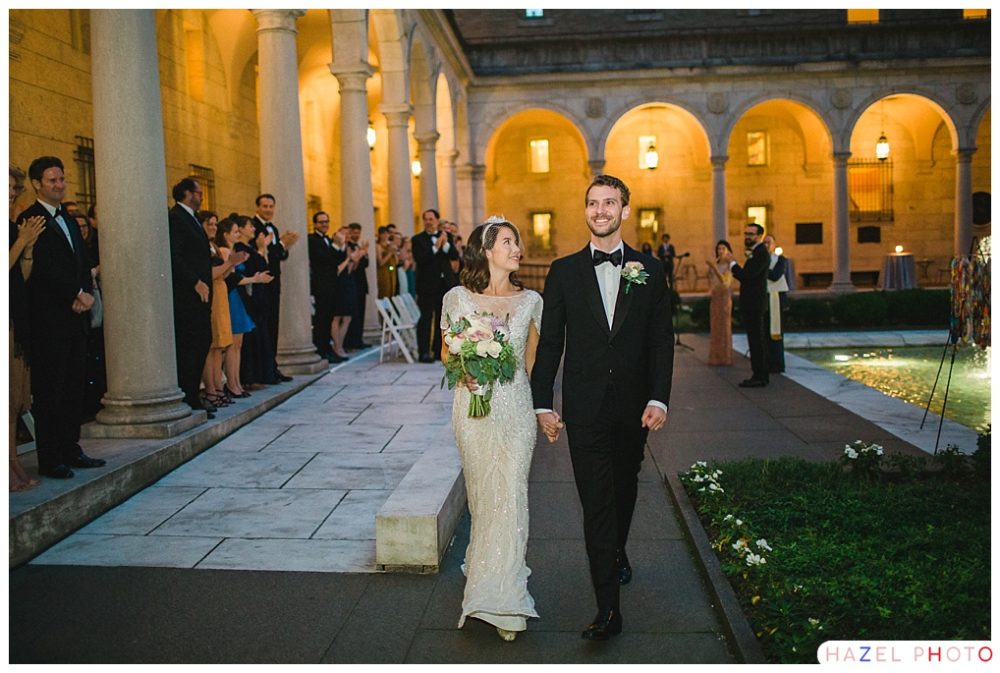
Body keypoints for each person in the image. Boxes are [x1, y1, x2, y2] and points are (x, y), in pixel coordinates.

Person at [531, 174, 673, 641]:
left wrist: (658, 397)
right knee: (595, 502)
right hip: (585, 408)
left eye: (609, 202)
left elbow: (660, 340)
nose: (600, 210)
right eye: (593, 203)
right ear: (586, 210)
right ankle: (608, 609)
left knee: (625, 487)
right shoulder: (564, 271)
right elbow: (551, 342)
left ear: (624, 210)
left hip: (634, 408)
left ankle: (616, 549)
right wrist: (541, 402)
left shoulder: (650, 270)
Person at [441, 216, 543, 642]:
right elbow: (446, 353)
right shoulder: (457, 298)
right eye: (507, 242)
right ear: (486, 251)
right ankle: (484, 577)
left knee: (512, 494)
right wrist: (463, 372)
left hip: (515, 408)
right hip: (473, 409)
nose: (516, 249)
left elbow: (532, 362)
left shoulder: (531, 301)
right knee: (484, 499)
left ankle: (505, 599)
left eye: (517, 242)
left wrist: (541, 410)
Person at [19, 156, 105, 479]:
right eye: (52, 180)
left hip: (76, 318)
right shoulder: (30, 219)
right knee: (50, 390)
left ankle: (71, 448)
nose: (59, 185)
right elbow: (41, 268)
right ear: (36, 184)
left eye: (62, 179)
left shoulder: (68, 217)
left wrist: (85, 291)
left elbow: (81, 260)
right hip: (50, 319)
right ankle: (51, 457)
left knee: (73, 387)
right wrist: (74, 293)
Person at [168, 177, 216, 418]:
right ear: (187, 193)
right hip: (188, 295)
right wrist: (195, 281)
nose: (201, 196)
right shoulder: (176, 218)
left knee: (202, 342)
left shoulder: (192, 218)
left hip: (201, 296)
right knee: (191, 345)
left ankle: (192, 393)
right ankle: (188, 396)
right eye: (198, 192)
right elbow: (175, 256)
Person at [9, 163, 44, 491]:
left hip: (16, 318)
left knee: (15, 400)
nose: (11, 193)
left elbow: (19, 276)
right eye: (7, 187)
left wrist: (28, 249)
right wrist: (22, 241)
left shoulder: (10, 226)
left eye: (14, 188)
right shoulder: (13, 232)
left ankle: (13, 461)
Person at [253, 193, 298, 383]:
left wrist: (284, 246)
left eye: (271, 206)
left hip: (274, 283)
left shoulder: (274, 228)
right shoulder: (254, 227)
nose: (268, 210)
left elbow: (278, 256)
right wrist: (281, 244)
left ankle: (273, 367)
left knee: (273, 325)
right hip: (261, 283)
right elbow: (262, 255)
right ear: (257, 207)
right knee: (264, 327)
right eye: (265, 206)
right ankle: (265, 371)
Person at [216, 218, 262, 398]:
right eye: (235, 231)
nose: (237, 234)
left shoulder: (233, 251)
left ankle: (236, 382)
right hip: (231, 296)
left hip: (238, 297)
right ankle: (231, 384)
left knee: (238, 344)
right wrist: (254, 279)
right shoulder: (224, 251)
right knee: (233, 344)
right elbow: (231, 278)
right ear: (226, 234)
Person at [725, 222, 770, 387]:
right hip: (752, 303)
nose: (747, 237)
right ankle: (760, 374)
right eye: (746, 234)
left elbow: (747, 276)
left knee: (756, 341)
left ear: (759, 236)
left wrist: (732, 263)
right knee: (755, 340)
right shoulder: (756, 252)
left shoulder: (761, 252)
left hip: (755, 304)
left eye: (750, 234)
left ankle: (760, 376)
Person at [412, 208, 459, 362]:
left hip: (443, 285)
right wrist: (436, 247)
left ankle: (438, 350)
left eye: (431, 219)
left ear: (437, 221)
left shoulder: (446, 236)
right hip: (426, 286)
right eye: (425, 219)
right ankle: (424, 352)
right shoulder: (417, 239)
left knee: (442, 319)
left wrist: (445, 244)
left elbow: (454, 255)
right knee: (425, 319)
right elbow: (421, 259)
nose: (428, 222)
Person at [235, 215, 277, 390]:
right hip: (248, 297)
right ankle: (249, 378)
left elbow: (264, 266)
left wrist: (262, 249)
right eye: (249, 226)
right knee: (252, 338)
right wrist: (261, 249)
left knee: (260, 336)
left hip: (259, 296)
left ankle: (263, 374)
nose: (253, 229)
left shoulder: (250, 248)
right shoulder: (240, 248)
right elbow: (256, 267)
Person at [307, 211, 341, 363]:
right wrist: (336, 245)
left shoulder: (328, 240)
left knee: (329, 318)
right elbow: (322, 258)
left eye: (327, 221)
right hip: (321, 286)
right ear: (315, 224)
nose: (325, 224)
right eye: (321, 222)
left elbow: (336, 260)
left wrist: (338, 246)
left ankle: (327, 348)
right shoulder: (312, 240)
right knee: (321, 319)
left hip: (332, 285)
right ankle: (321, 349)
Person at [705, 240, 734, 366]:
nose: (720, 251)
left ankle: (725, 357)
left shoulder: (729, 266)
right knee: (715, 326)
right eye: (719, 248)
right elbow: (711, 281)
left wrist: (714, 268)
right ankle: (715, 356)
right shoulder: (715, 264)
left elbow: (725, 282)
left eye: (723, 248)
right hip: (715, 297)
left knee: (725, 327)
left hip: (724, 297)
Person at [764, 234, 789, 374]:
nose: (767, 245)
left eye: (769, 242)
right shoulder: (760, 260)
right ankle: (766, 363)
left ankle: (777, 364)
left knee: (776, 333)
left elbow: (775, 275)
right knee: (764, 333)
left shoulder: (780, 260)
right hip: (764, 298)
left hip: (776, 299)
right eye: (765, 242)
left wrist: (761, 268)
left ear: (774, 245)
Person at [344, 221, 371, 350]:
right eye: (354, 232)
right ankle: (352, 341)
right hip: (352, 282)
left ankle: (359, 339)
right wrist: (361, 254)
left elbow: (366, 263)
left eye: (358, 233)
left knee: (361, 312)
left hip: (361, 282)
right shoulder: (348, 247)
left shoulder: (359, 246)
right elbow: (353, 265)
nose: (356, 235)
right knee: (353, 314)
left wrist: (363, 253)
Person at [375, 225, 399, 298]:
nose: (385, 236)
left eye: (387, 233)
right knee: (384, 293)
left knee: (392, 292)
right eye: (383, 234)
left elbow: (396, 262)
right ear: (379, 235)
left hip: (391, 271)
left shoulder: (390, 245)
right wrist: (390, 253)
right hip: (383, 273)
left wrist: (394, 252)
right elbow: (380, 263)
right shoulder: (378, 246)